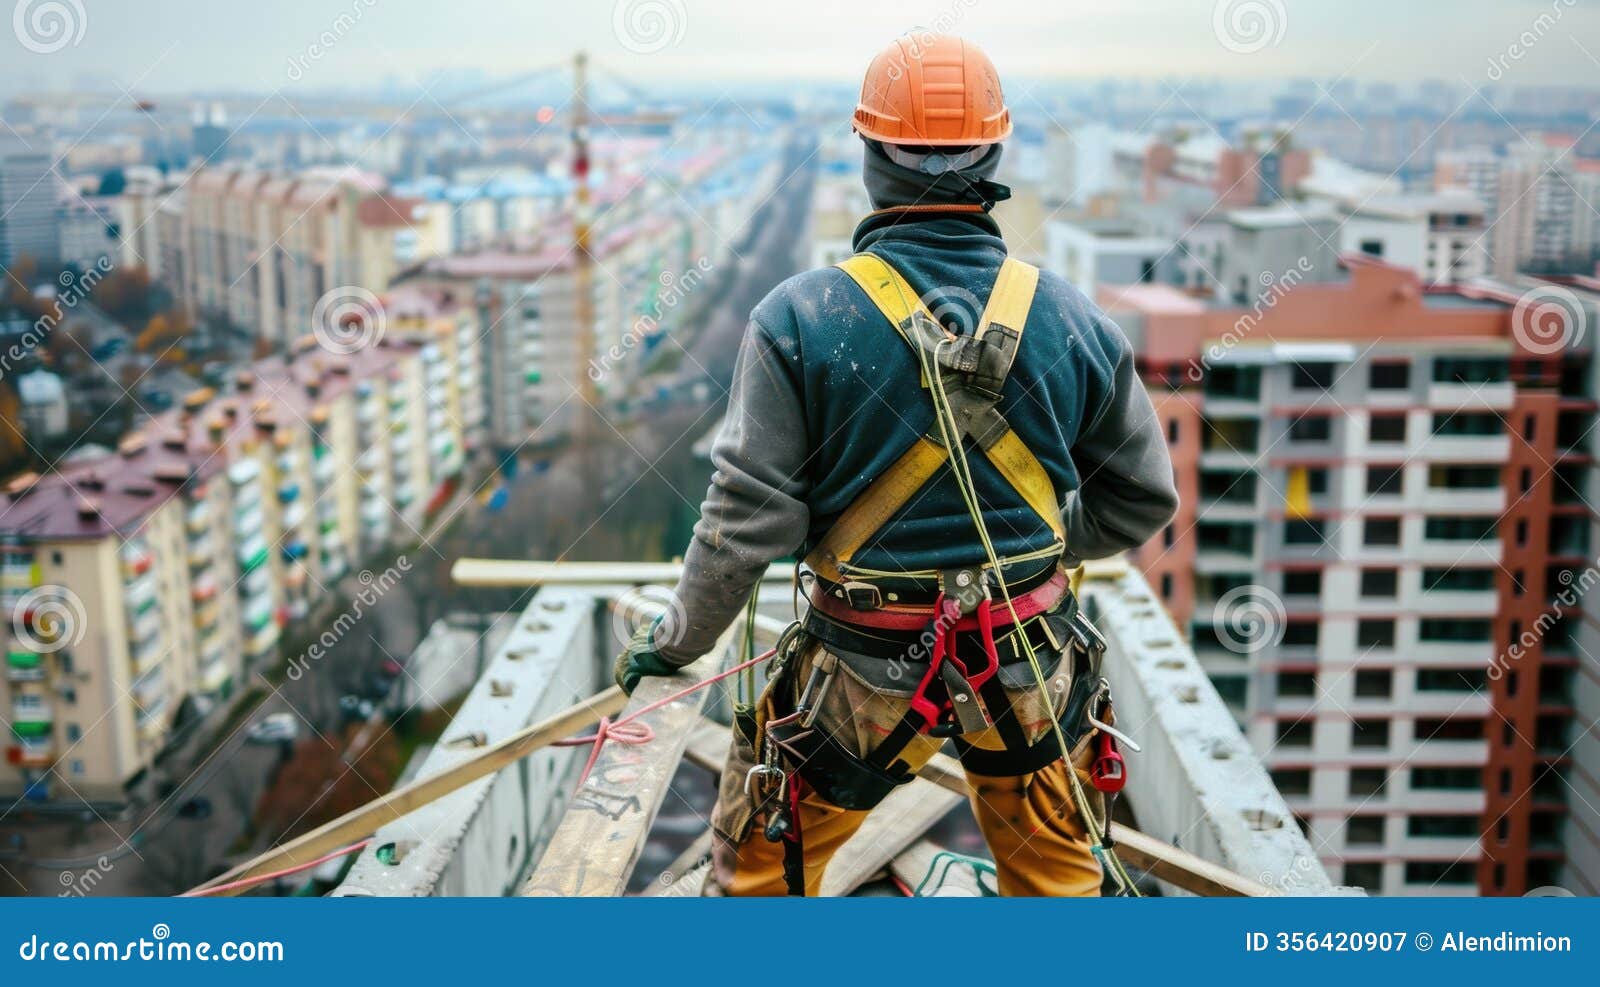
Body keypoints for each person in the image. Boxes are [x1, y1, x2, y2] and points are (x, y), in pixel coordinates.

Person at [615, 32, 1178, 896]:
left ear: (872, 153)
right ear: (993, 153)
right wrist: (1028, 552)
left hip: (859, 672)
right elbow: (1142, 497)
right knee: (1060, 890)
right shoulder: (1073, 317)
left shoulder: (800, 317)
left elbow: (741, 524)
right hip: (1028, 660)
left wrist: (676, 640)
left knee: (761, 873)